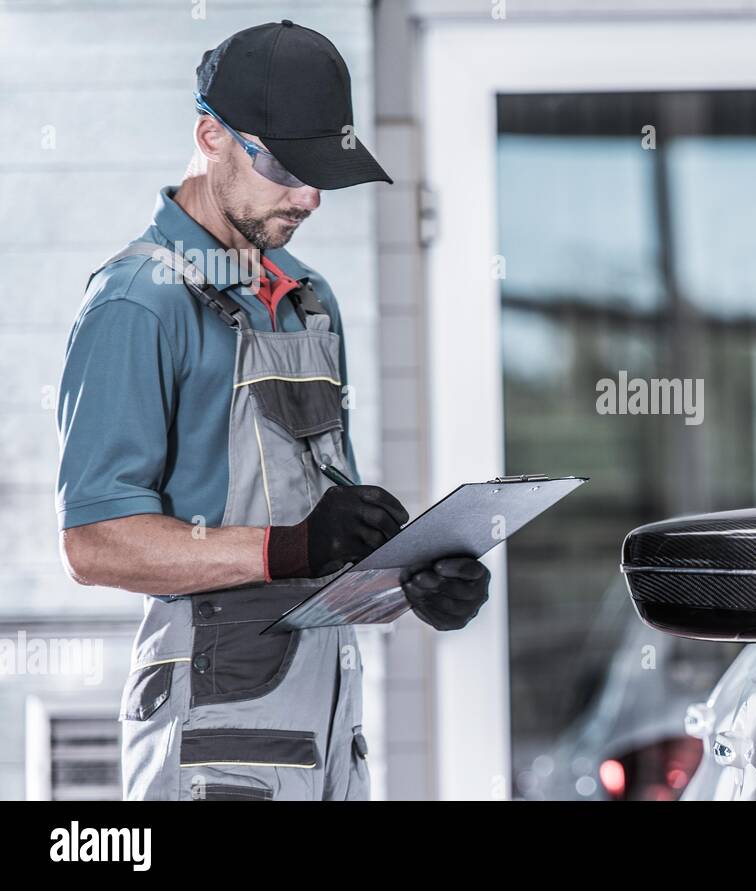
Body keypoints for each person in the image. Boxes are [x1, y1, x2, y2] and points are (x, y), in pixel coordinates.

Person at [55, 20, 487, 801]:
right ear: (210, 136)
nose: (311, 196)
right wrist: (289, 548)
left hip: (327, 729)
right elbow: (93, 542)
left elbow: (318, 545)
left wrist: (407, 583)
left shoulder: (308, 303)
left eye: (323, 169)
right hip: (213, 737)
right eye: (288, 168)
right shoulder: (136, 303)